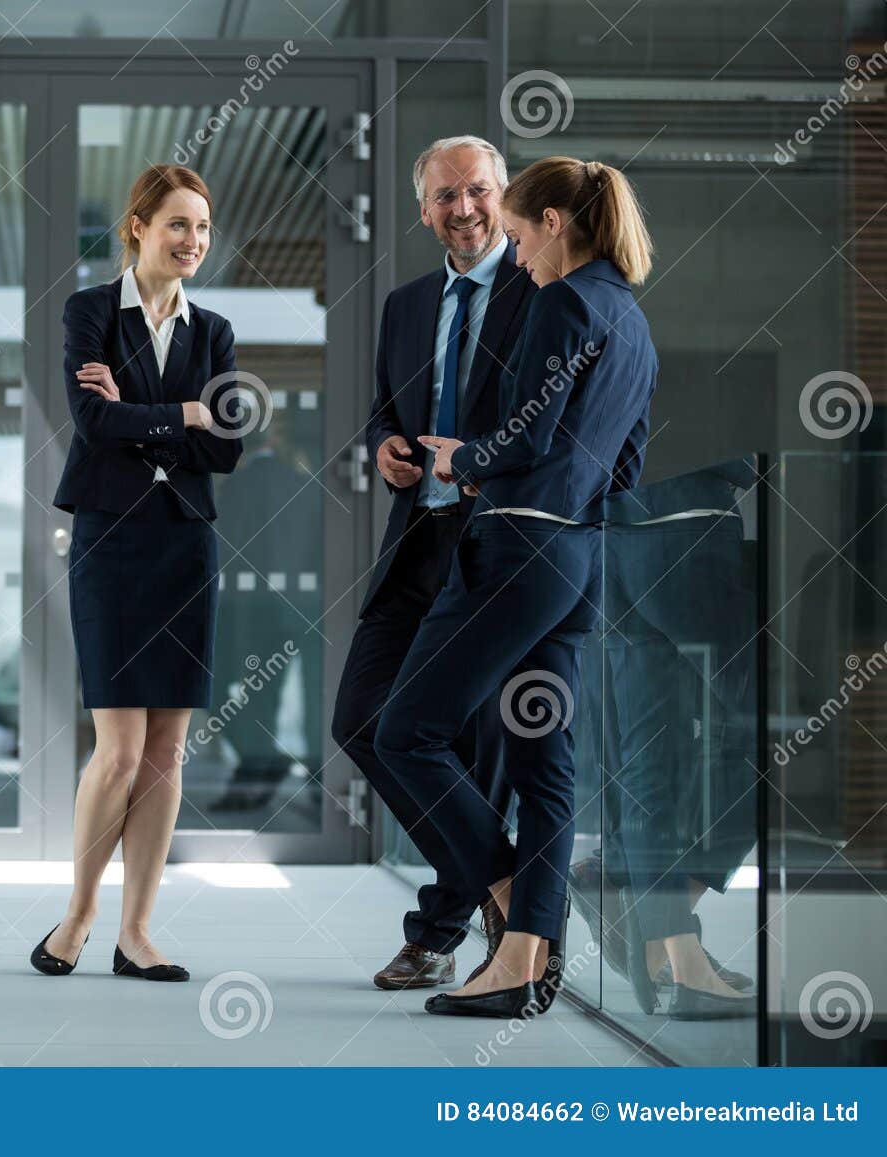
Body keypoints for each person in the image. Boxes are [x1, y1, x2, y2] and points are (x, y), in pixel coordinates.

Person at [374, 155, 658, 1019]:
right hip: (577, 562)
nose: (519, 255)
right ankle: (523, 957)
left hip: (514, 552)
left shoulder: (564, 301)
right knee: (544, 764)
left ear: (554, 225)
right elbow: (627, 466)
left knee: (406, 733)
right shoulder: (631, 317)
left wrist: (463, 458)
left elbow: (525, 436)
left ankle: (502, 885)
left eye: (523, 235)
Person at [331, 136, 534, 991]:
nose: (464, 208)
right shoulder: (407, 304)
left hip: (498, 542)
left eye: (478, 190)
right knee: (361, 720)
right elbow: (388, 407)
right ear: (423, 210)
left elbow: (548, 419)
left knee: (475, 741)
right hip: (418, 537)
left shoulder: (539, 289)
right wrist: (384, 445)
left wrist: (481, 462)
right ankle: (500, 880)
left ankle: (441, 929)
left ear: (504, 195)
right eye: (446, 195)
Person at [31, 164, 244, 982]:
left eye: (203, 228)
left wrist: (141, 414)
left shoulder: (213, 330)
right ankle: (79, 914)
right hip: (111, 542)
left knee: (167, 751)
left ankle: (137, 932)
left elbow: (226, 447)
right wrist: (183, 412)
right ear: (139, 227)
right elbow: (92, 421)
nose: (193, 241)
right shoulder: (91, 311)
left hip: (185, 543)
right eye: (178, 224)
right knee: (118, 750)